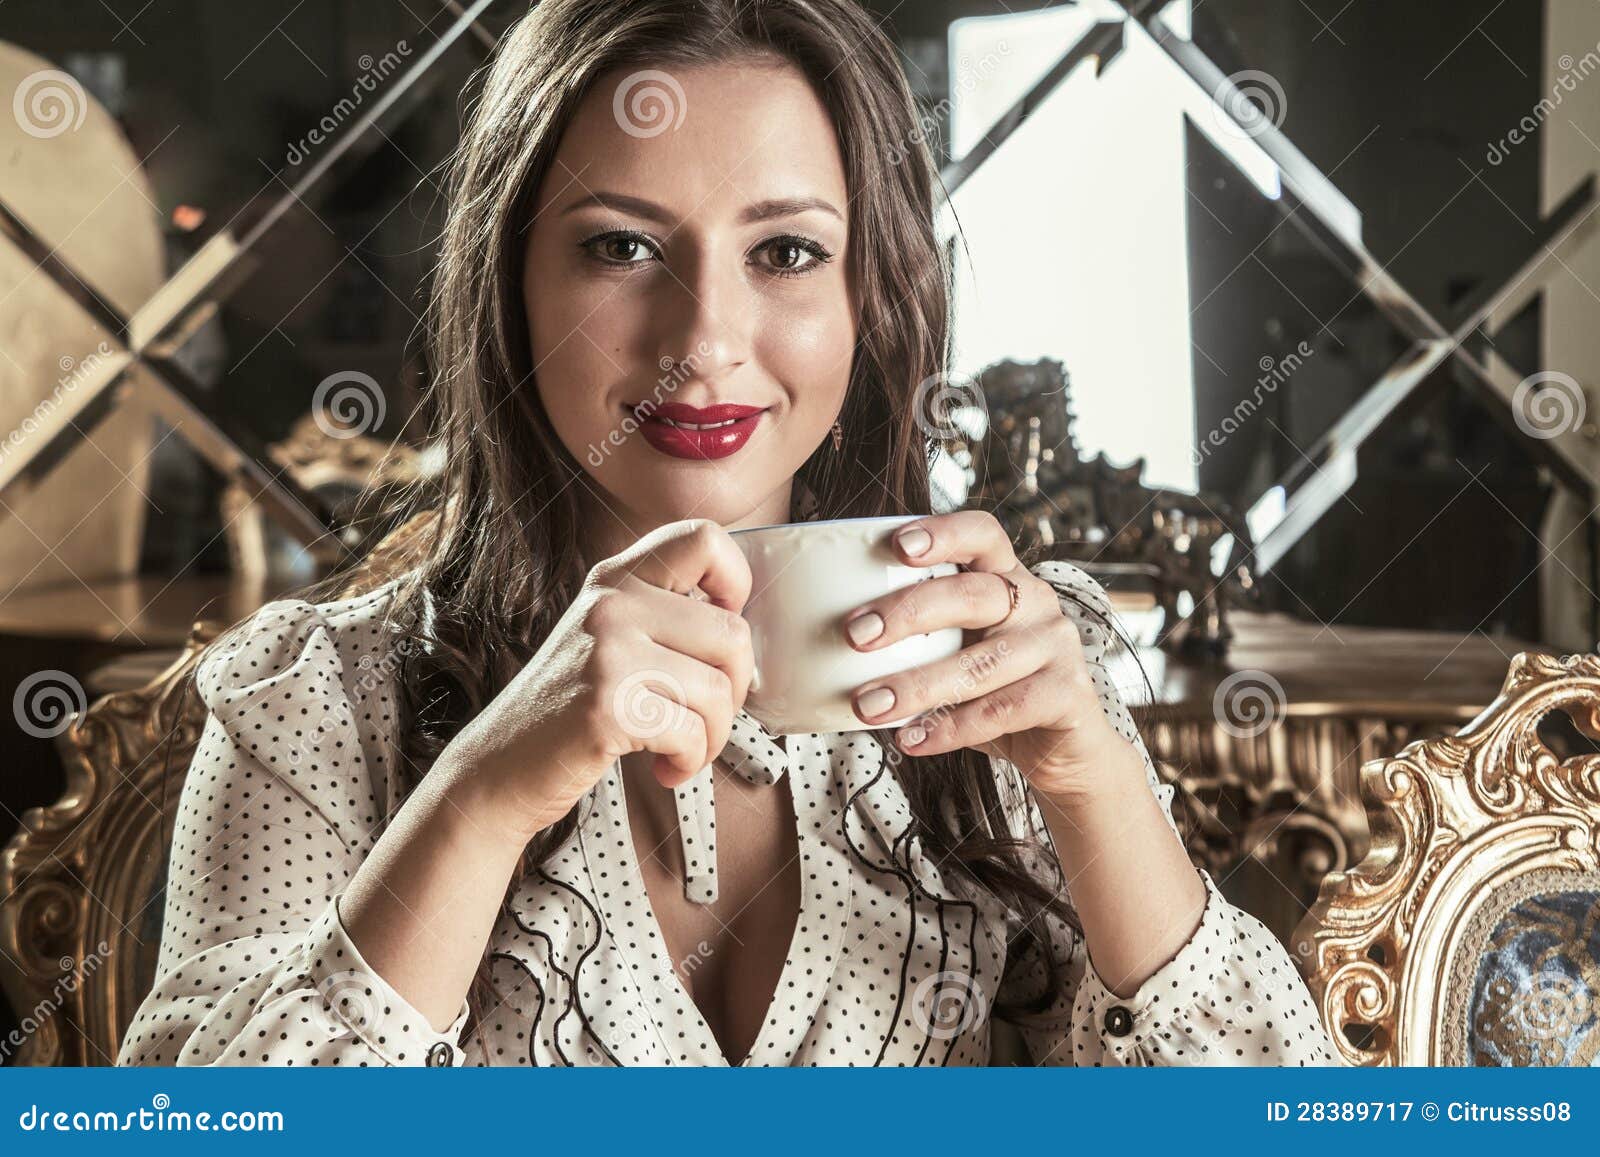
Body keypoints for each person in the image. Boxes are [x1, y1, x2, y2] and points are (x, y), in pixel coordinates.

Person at [118, 0, 1336, 1068]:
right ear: (509, 282)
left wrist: (1096, 784)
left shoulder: (1010, 668)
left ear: (874, 292)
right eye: (621, 247)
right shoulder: (315, 705)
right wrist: (478, 797)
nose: (703, 339)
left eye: (787, 252)